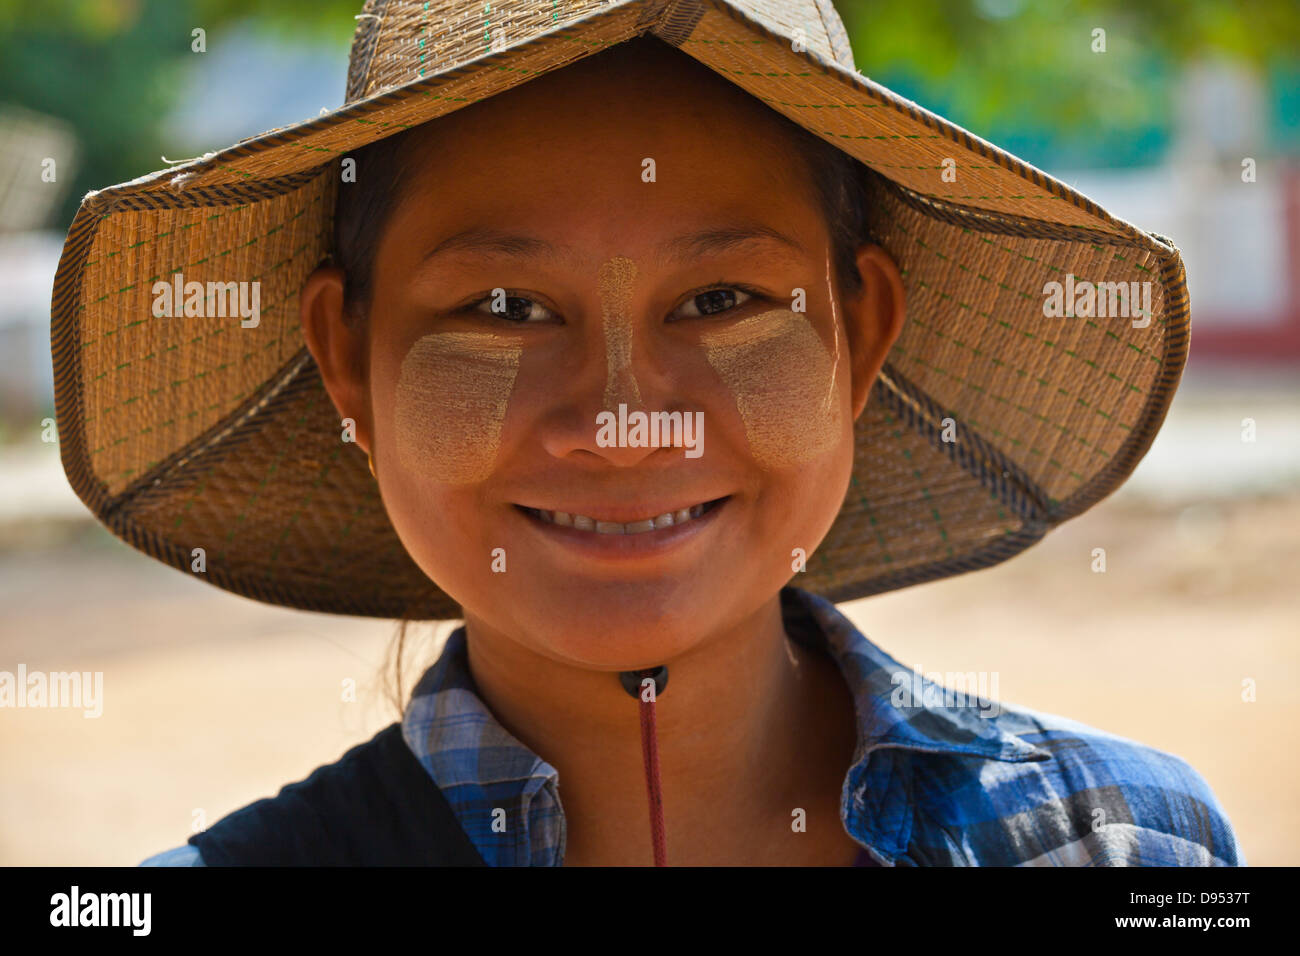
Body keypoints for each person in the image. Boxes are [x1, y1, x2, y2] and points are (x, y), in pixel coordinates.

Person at [52, 0, 1242, 866]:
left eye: (722, 301)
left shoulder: (1127, 844)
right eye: (505, 310)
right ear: (345, 363)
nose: (621, 423)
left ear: (861, 334)